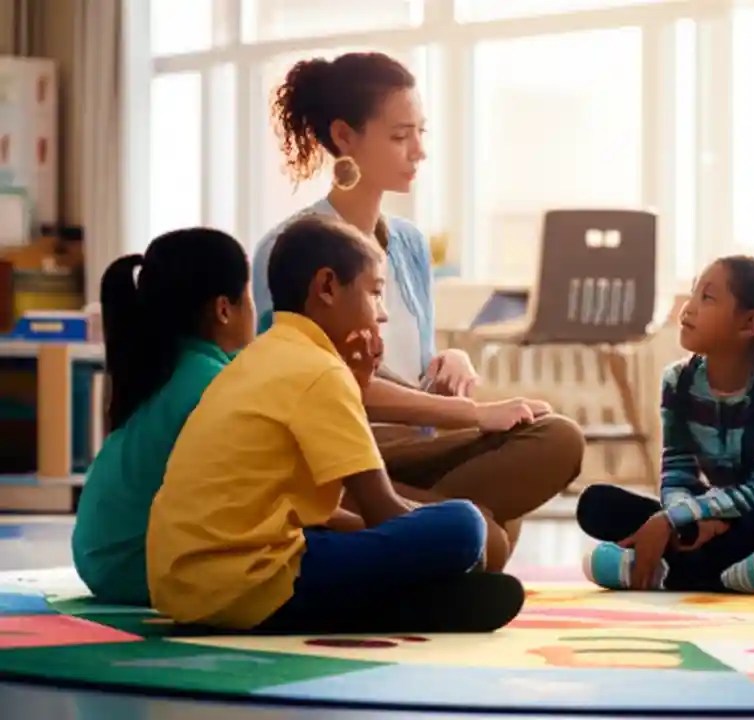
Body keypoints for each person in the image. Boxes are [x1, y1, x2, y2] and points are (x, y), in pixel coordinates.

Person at [254, 51, 585, 568]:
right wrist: (473, 414)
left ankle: (432, 538)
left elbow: (407, 374)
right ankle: (447, 538)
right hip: (338, 458)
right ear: (344, 136)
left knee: (556, 436)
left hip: (413, 452)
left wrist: (448, 362)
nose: (419, 152)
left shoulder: (408, 243)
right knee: (492, 535)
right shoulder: (290, 248)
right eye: (400, 135)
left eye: (421, 132)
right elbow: (312, 385)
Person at [147, 216, 523, 633]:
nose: (381, 315)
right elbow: (382, 511)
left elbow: (326, 511)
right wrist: (447, 533)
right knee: (464, 526)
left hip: (180, 588)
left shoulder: (260, 357)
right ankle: (403, 601)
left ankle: (412, 600)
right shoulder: (320, 371)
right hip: (248, 584)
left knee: (396, 536)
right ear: (326, 287)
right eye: (375, 293)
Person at [576, 256, 754, 593]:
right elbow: (677, 473)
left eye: (707, 298)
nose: (687, 309)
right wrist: (686, 519)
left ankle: (676, 572)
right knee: (597, 504)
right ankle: (734, 569)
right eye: (692, 294)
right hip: (727, 508)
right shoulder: (678, 381)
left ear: (749, 323)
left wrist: (673, 520)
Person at [72, 228, 255, 605]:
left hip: (101, 558)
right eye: (249, 297)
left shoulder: (170, 365)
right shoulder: (211, 383)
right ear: (224, 309)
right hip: (138, 566)